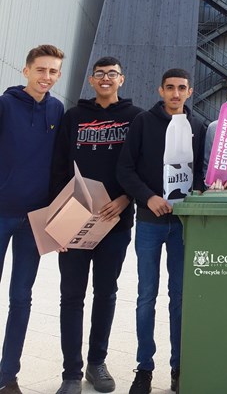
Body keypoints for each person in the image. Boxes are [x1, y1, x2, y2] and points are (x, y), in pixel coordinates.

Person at [49, 56, 143, 394]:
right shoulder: (73, 116)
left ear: (122, 79)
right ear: (91, 80)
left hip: (115, 222)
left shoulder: (135, 118)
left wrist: (126, 199)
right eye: (100, 74)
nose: (106, 78)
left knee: (106, 293)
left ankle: (96, 363)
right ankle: (71, 373)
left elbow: (142, 167)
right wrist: (56, 225)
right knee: (71, 296)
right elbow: (59, 169)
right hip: (75, 221)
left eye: (112, 74)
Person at [117, 68, 206, 394]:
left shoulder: (198, 126)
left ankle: (179, 367)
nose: (175, 93)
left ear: (190, 91)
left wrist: (197, 193)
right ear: (160, 90)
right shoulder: (143, 122)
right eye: (170, 88)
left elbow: (202, 173)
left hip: (182, 223)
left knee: (180, 297)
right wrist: (148, 197)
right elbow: (125, 169)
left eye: (181, 88)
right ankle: (144, 368)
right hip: (150, 222)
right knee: (146, 296)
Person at [0, 45, 65, 394]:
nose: (47, 77)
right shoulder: (5, 105)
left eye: (53, 71)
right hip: (0, 213)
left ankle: (8, 375)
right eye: (41, 69)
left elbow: (58, 164)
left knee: (21, 298)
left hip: (34, 220)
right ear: (26, 71)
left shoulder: (57, 109)